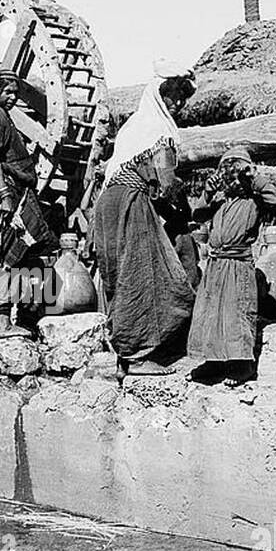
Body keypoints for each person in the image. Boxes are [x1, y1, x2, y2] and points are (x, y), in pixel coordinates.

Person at [91, 63, 199, 376]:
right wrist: (183, 209)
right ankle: (140, 356)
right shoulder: (159, 130)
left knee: (119, 274)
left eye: (181, 99)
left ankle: (125, 353)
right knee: (144, 274)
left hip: (109, 203)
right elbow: (165, 183)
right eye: (173, 98)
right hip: (130, 202)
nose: (177, 105)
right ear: (159, 98)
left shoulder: (132, 127)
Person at [0, 70, 53, 336]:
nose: (13, 97)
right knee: (6, 250)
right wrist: (4, 194)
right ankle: (3, 322)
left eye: (15, 93)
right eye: (8, 92)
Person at [187, 149, 276, 385]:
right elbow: (198, 215)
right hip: (216, 265)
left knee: (237, 313)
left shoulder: (254, 199)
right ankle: (213, 362)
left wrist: (253, 177)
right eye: (227, 173)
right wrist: (208, 192)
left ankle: (243, 365)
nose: (231, 179)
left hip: (238, 265)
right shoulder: (219, 200)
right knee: (210, 314)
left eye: (236, 173)